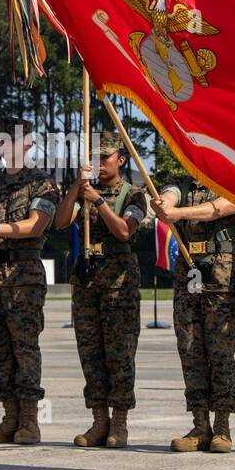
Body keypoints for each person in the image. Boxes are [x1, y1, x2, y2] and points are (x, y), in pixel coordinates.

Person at [0, 117, 60, 445]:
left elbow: (36, 226)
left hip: (23, 278)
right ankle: (9, 416)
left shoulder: (42, 183)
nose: (5, 146)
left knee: (24, 349)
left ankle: (29, 420)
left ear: (28, 144)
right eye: (2, 141)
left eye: (13, 140)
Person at [54, 131, 148, 449]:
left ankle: (119, 423)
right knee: (90, 353)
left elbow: (124, 231)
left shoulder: (133, 195)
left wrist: (98, 201)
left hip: (118, 283)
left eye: (104, 158)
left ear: (120, 160)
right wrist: (76, 188)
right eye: (94, 158)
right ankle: (99, 420)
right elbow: (62, 222)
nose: (99, 163)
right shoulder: (85, 192)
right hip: (87, 282)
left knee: (120, 355)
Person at [152, 175, 235, 453]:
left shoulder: (232, 179)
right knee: (190, 349)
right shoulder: (181, 183)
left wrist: (176, 214)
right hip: (189, 272)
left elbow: (221, 208)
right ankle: (200, 424)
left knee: (221, 350)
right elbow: (169, 195)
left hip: (220, 274)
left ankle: (222, 426)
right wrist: (163, 205)